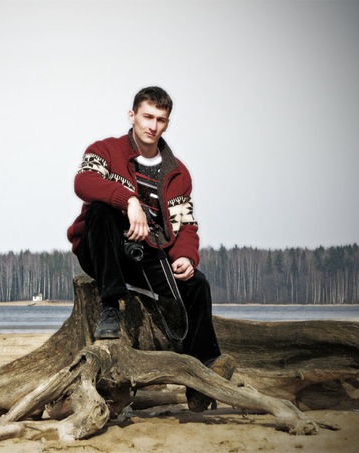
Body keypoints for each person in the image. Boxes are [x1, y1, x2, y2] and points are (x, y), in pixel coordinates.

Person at [67, 86, 236, 412]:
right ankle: (109, 307)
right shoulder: (105, 150)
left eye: (160, 119)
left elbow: (186, 224)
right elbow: (83, 183)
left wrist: (186, 255)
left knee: (197, 284)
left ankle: (203, 374)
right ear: (132, 116)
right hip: (101, 248)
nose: (152, 125)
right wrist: (129, 200)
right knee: (100, 210)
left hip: (146, 254)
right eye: (147, 117)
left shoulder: (178, 173)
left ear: (167, 123)